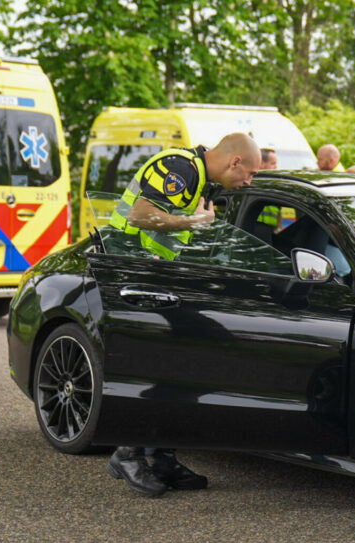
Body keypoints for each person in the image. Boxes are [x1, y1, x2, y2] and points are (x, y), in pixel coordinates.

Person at [106, 132, 260, 497]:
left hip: (158, 280)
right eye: (250, 173)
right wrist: (191, 224)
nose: (249, 182)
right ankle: (127, 453)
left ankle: (160, 454)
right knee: (152, 365)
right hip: (131, 277)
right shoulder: (179, 167)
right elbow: (139, 214)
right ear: (234, 161)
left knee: (194, 356)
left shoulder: (203, 182)